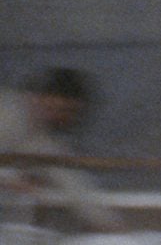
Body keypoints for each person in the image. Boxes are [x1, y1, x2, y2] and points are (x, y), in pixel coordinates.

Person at [0, 67, 120, 234]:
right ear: (36, 97)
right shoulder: (7, 112)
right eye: (61, 109)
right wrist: (8, 180)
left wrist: (108, 224)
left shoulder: (39, 136)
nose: (63, 117)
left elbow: (70, 181)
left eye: (71, 112)